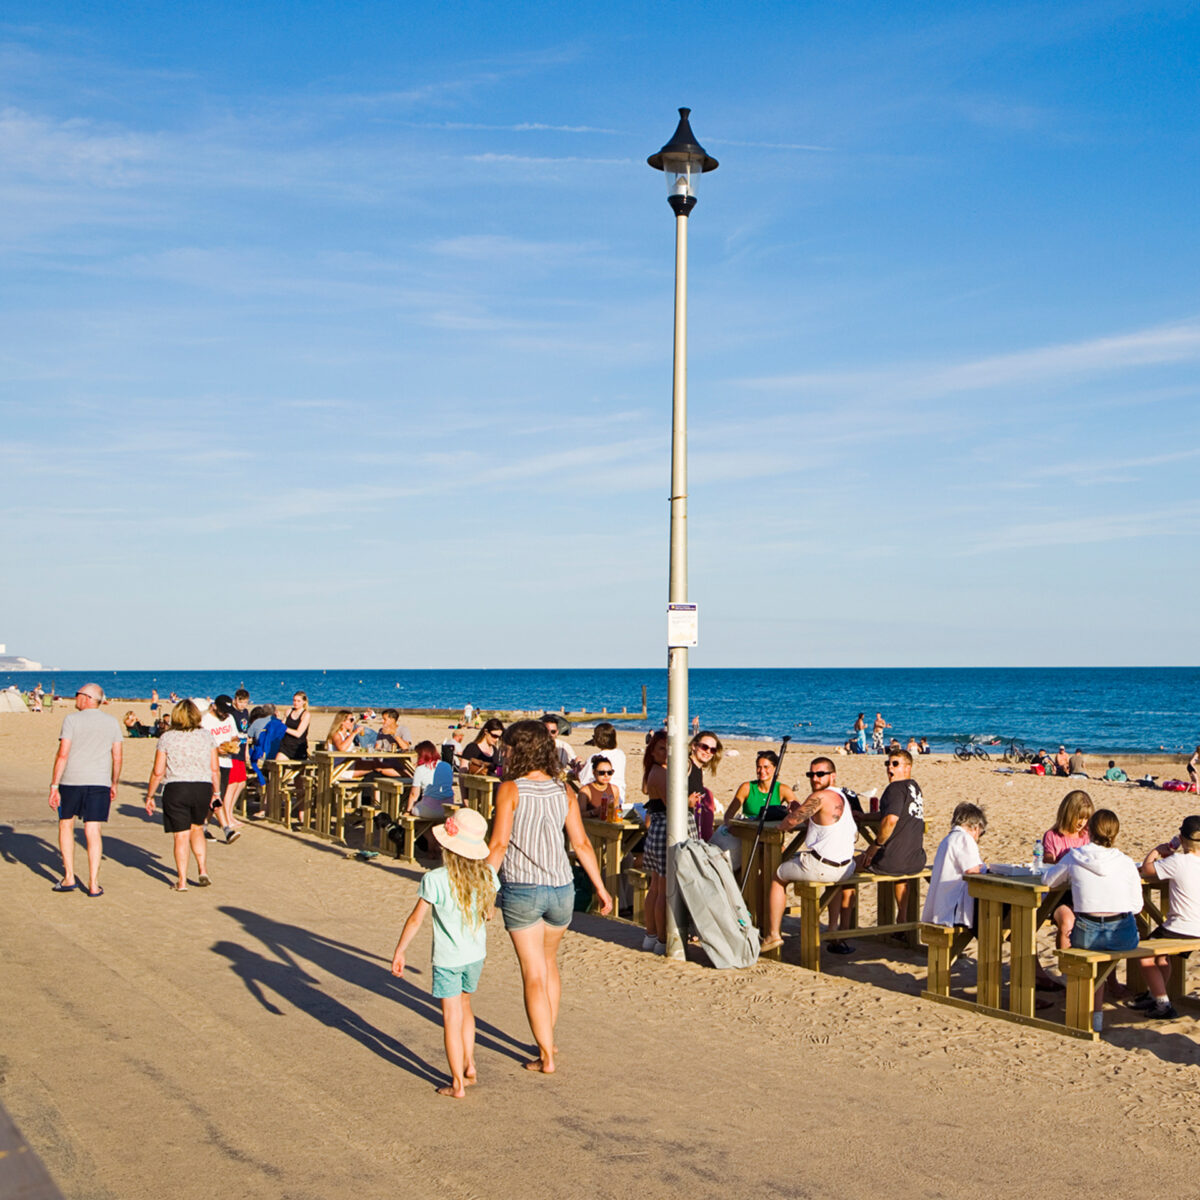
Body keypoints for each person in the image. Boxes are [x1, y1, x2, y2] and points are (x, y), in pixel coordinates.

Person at [486, 720, 611, 1074]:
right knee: (550, 965)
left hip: (523, 889)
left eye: (508, 747)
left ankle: (546, 1056)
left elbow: (498, 845)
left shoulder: (510, 789)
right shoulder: (565, 790)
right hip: (561, 889)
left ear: (519, 750)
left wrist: (482, 887)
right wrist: (600, 887)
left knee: (533, 974)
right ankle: (549, 1040)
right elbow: (582, 843)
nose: (504, 752)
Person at [390, 807, 499, 1098]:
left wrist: (400, 951)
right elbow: (489, 913)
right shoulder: (487, 874)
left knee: (451, 1018)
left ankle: (457, 1083)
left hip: (449, 958)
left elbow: (416, 919)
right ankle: (470, 1064)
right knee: (466, 1008)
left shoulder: (436, 879)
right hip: (475, 955)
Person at [1042, 809, 1142, 1031]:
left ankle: (1094, 1019)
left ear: (1090, 830)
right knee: (1102, 958)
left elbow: (1048, 880)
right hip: (1122, 934)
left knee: (1088, 952)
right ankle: (1099, 1012)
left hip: (1088, 932)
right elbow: (1137, 906)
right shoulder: (1125, 862)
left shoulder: (1075, 856)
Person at [760, 758, 860, 954]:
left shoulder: (819, 797)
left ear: (832, 775)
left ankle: (773, 934)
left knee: (778, 875)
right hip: (846, 867)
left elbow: (790, 821)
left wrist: (782, 825)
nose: (815, 778)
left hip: (824, 867)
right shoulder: (842, 796)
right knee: (834, 880)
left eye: (820, 774)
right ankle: (832, 930)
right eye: (811, 774)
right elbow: (818, 822)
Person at [47, 683, 122, 896]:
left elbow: (63, 753)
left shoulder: (71, 720)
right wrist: (114, 782)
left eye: (77, 695)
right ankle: (93, 883)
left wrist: (54, 785)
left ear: (87, 698)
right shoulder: (111, 722)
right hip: (99, 782)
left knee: (66, 825)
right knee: (93, 830)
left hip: (72, 781)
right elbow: (117, 756)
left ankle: (70, 876)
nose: (75, 698)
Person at [144, 699, 219, 890]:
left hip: (176, 787)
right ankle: (202, 869)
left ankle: (182, 880)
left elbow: (158, 771)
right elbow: (214, 768)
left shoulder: (167, 738)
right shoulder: (206, 736)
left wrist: (150, 795)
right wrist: (216, 792)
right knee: (197, 828)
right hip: (201, 786)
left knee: (181, 836)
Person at [1131, 815, 1200, 1020]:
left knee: (1144, 954)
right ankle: (1155, 994)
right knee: (1161, 955)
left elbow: (1147, 869)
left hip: (1182, 927)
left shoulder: (1178, 861)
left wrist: (1157, 851)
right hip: (1197, 927)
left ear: (1181, 837)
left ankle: (1162, 1003)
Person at [640, 729, 700, 954]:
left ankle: (652, 935)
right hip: (668, 828)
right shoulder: (660, 774)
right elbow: (673, 804)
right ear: (653, 752)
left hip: (658, 828)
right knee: (663, 888)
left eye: (669, 748)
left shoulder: (655, 772)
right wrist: (689, 802)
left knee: (656, 886)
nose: (666, 753)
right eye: (661, 749)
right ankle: (662, 939)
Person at [858, 749, 926, 917]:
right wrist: (865, 816)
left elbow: (891, 820)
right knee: (900, 868)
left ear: (908, 767)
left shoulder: (894, 788)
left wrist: (875, 845)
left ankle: (842, 928)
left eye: (895, 764)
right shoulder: (914, 787)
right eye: (887, 763)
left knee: (846, 867)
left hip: (893, 862)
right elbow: (891, 813)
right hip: (916, 860)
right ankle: (902, 918)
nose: (890, 767)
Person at [921, 803, 989, 928]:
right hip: (954, 911)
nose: (978, 838)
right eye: (981, 833)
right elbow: (972, 871)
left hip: (941, 907)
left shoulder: (949, 838)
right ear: (975, 827)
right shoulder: (964, 838)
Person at [1042, 790, 1094, 954]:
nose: (1082, 822)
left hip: (1081, 890)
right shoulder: (1052, 836)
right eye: (1079, 817)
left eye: (1085, 818)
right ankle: (1065, 966)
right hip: (1058, 892)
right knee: (1067, 921)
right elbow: (1048, 860)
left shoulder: (1086, 836)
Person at [201, 696, 243, 843]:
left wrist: (232, 744)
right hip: (212, 762)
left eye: (227, 711)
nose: (225, 714)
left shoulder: (229, 718)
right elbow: (201, 743)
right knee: (216, 795)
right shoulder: (205, 720)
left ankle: (203, 826)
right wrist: (216, 750)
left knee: (220, 795)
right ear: (214, 707)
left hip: (227, 762)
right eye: (223, 711)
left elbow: (235, 736)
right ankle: (227, 830)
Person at [688, 730, 723, 841]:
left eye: (712, 750)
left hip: (690, 822)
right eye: (704, 747)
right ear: (694, 746)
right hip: (680, 824)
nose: (708, 752)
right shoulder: (687, 764)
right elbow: (669, 789)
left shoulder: (698, 770)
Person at [407, 741, 456, 818]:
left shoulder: (421, 769)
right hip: (448, 808)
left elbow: (414, 794)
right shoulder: (447, 766)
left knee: (415, 808)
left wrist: (408, 810)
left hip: (430, 808)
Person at [576, 722, 627, 794]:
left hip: (602, 796)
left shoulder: (595, 758)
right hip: (619, 794)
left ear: (597, 739)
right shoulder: (621, 754)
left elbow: (582, 779)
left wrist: (577, 765)